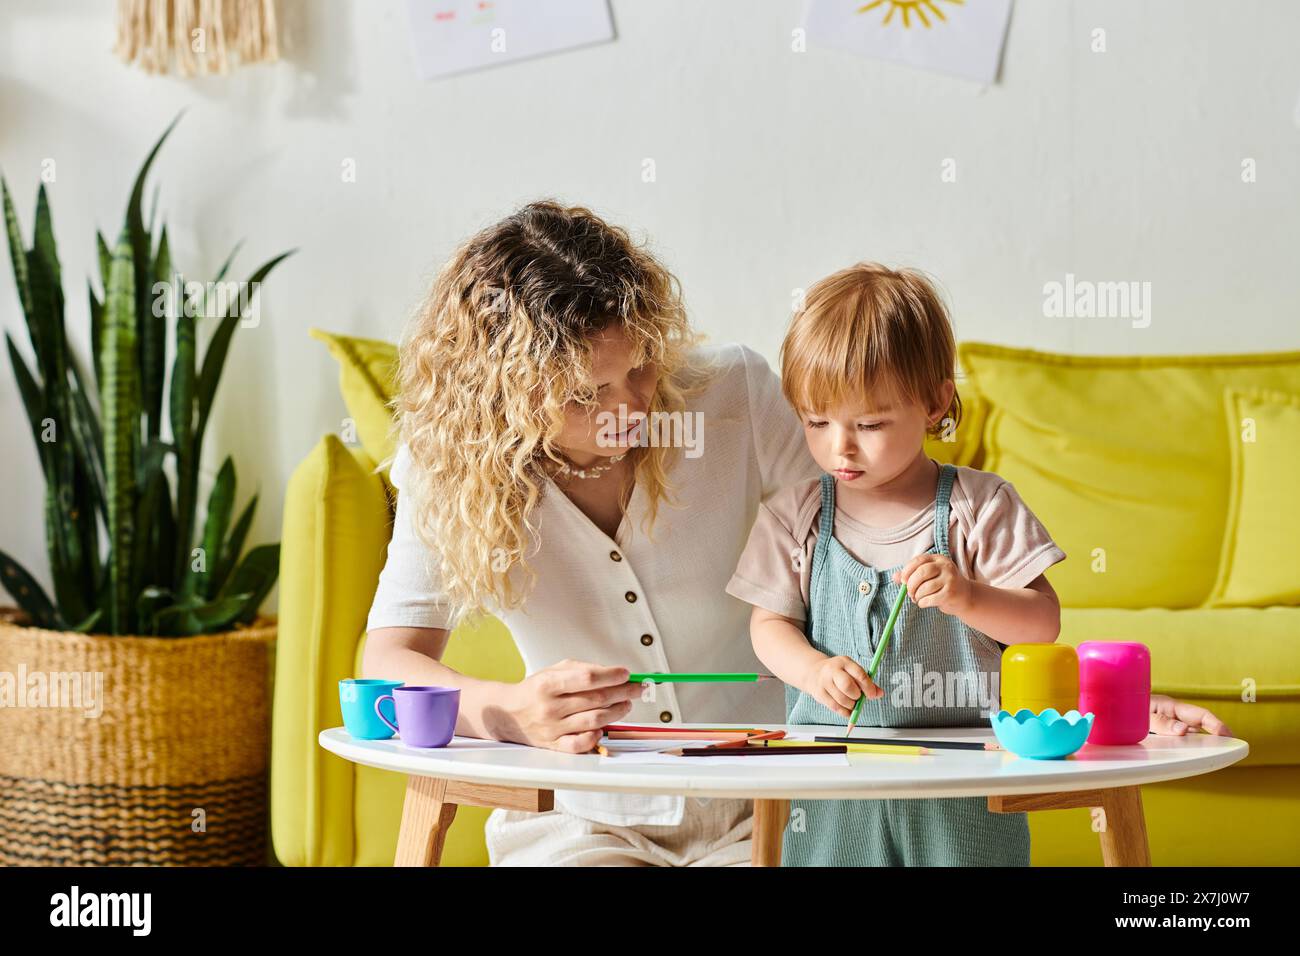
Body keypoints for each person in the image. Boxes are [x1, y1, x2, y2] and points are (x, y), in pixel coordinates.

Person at [364, 204, 1234, 866]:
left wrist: (1104, 710)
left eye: (637, 368)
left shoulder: (733, 394)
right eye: (584, 396)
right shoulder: (453, 461)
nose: (630, 407)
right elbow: (388, 661)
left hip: (776, 803)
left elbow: (880, 573)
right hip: (579, 810)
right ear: (502, 397)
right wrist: (506, 711)